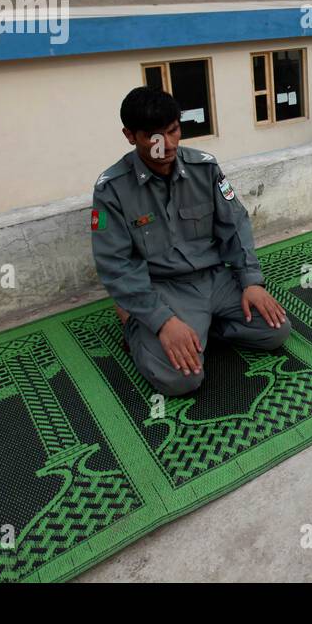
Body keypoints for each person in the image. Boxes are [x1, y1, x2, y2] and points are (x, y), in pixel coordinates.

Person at [90, 86, 289, 396]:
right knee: (181, 380)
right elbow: (116, 265)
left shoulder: (205, 168)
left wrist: (251, 282)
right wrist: (162, 321)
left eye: (173, 131)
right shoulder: (112, 189)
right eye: (154, 137)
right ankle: (134, 326)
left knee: (275, 331)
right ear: (130, 135)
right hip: (163, 289)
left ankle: (202, 328)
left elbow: (234, 225)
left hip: (215, 279)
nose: (166, 145)